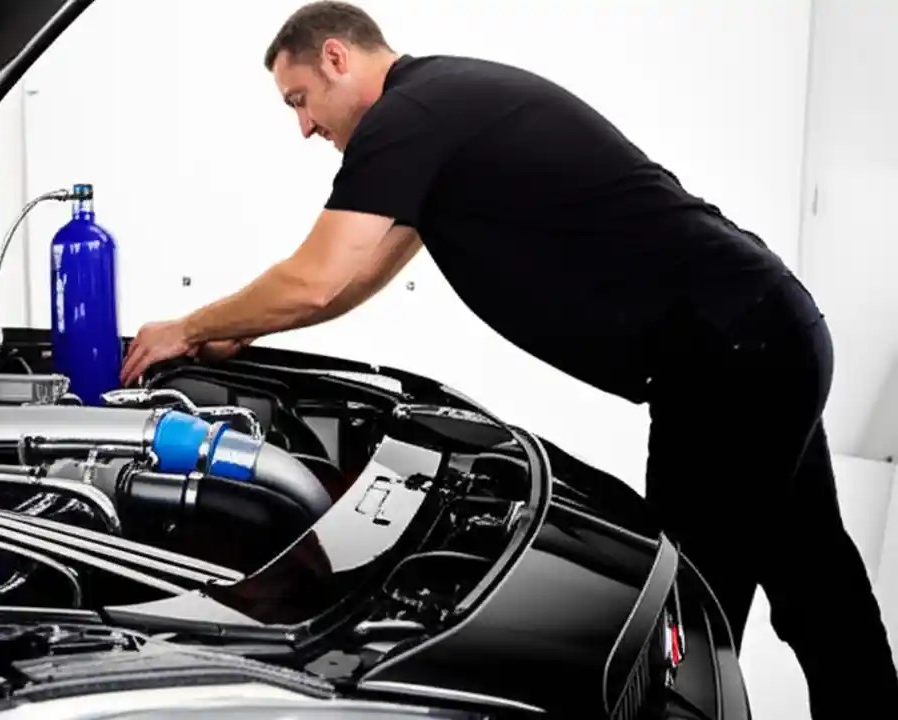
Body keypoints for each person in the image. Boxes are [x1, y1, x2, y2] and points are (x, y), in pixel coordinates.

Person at [118, 3, 898, 714]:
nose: (305, 128)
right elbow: (358, 274)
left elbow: (317, 278)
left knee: (679, 624)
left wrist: (187, 329)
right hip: (764, 332)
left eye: (299, 101)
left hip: (732, 355)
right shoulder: (438, 108)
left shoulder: (408, 116)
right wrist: (244, 330)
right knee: (813, 583)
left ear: (335, 58)